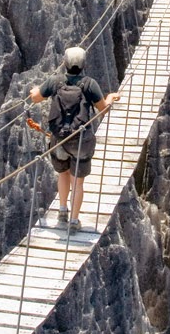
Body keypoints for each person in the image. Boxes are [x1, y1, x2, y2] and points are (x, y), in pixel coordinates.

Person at [30, 46, 120, 233]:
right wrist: (110, 98)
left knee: (63, 174)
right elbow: (103, 109)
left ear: (65, 63)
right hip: (81, 141)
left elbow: (36, 98)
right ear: (83, 65)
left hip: (59, 140)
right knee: (77, 182)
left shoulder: (55, 81)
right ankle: (73, 221)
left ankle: (62, 211)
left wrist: (34, 90)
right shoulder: (89, 84)